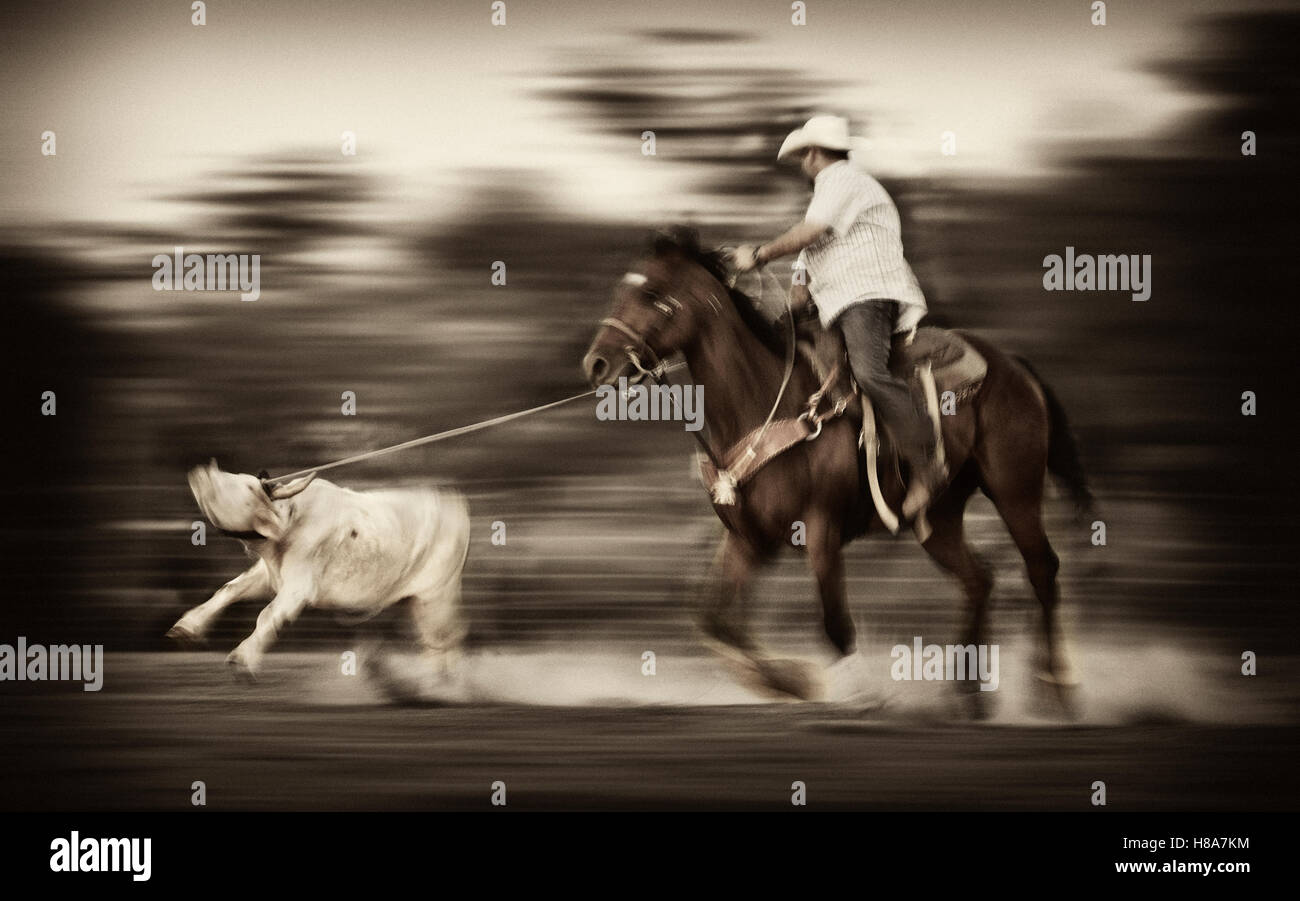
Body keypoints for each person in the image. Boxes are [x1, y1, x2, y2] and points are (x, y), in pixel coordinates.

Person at [733, 115, 944, 523]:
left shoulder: (844, 181)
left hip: (866, 296)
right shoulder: (829, 194)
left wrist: (757, 255)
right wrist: (791, 310)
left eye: (802, 156)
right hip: (833, 303)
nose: (801, 164)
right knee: (787, 363)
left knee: (868, 373)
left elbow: (809, 234)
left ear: (813, 153)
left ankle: (928, 465)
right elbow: (807, 258)